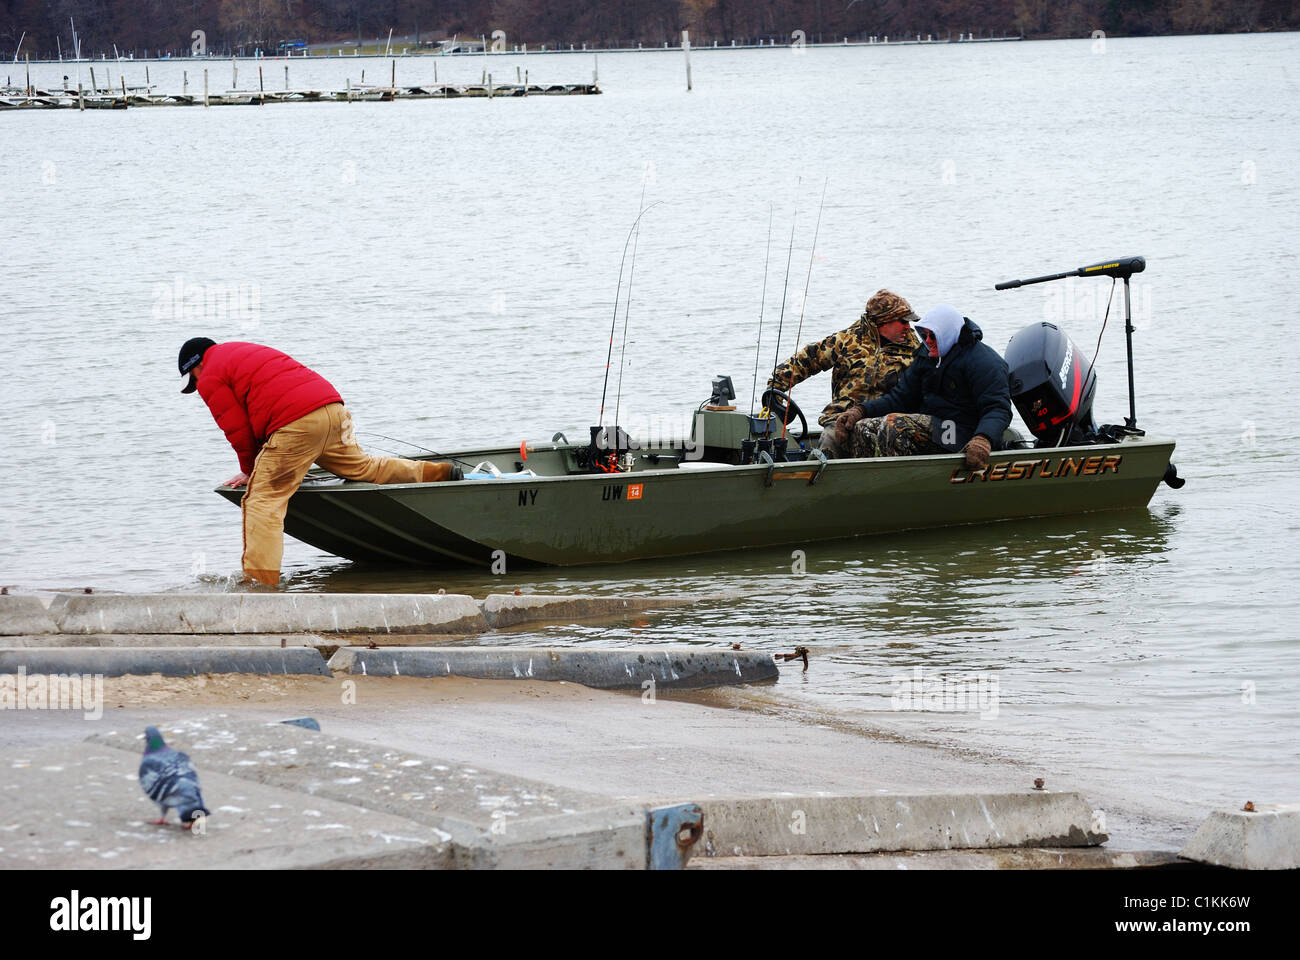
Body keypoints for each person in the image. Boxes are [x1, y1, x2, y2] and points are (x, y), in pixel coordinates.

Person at [179, 338, 460, 586]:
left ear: (196, 365)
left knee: (262, 501)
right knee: (362, 467)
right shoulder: (241, 351)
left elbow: (237, 430)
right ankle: (439, 473)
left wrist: (250, 471)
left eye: (193, 377)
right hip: (332, 409)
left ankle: (259, 584)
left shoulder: (210, 375)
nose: (197, 383)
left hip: (296, 423)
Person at [833, 304, 1011, 470]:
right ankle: (865, 485)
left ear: (947, 334)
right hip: (934, 427)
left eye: (933, 336)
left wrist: (983, 439)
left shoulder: (985, 362)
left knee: (894, 424)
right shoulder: (926, 356)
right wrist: (860, 411)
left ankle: (899, 484)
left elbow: (997, 409)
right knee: (862, 428)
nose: (928, 341)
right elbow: (900, 398)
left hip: (964, 433)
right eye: (924, 335)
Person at [767, 289, 921, 457]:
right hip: (842, 419)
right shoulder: (847, 341)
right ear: (884, 321)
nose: (908, 327)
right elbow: (806, 360)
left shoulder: (915, 349)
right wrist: (774, 390)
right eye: (903, 322)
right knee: (829, 443)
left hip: (887, 421)